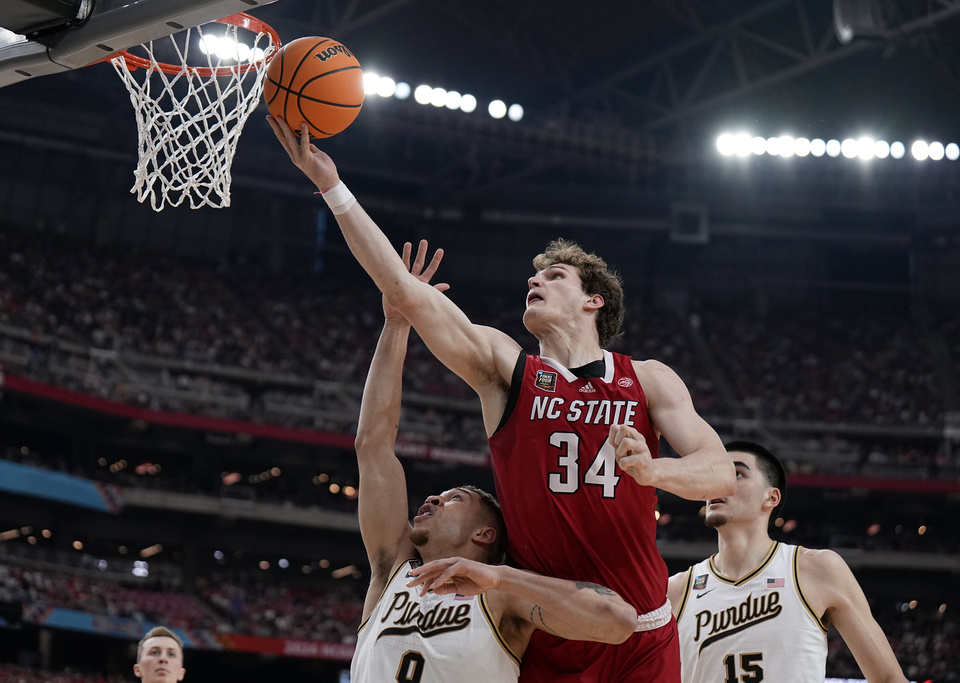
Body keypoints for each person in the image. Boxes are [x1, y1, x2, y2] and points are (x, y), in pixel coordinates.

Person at [269, 116, 736, 682]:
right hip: (545, 622)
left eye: (554, 276)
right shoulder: (507, 369)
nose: (534, 282)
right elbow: (401, 289)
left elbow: (719, 476)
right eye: (533, 278)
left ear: (593, 300)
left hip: (642, 626)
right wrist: (332, 187)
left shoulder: (648, 378)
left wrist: (651, 468)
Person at [350, 241, 638, 682]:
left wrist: (501, 578)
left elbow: (617, 620)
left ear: (486, 534)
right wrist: (395, 326)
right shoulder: (391, 568)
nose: (432, 497)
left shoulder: (501, 598)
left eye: (453, 498)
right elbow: (373, 446)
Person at [669, 441, 908, 683]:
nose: (720, 483)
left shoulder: (819, 569)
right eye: (715, 475)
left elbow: (888, 678)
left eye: (737, 474)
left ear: (771, 497)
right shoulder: (674, 591)